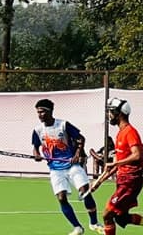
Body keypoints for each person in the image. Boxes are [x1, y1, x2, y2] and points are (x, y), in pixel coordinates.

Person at [96, 98, 143, 235]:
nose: (109, 115)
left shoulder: (130, 132)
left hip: (130, 181)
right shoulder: (120, 133)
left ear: (119, 113)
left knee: (107, 215)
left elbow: (137, 155)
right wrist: (99, 181)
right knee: (121, 218)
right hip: (123, 180)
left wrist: (116, 163)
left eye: (111, 112)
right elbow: (118, 163)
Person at [31, 98, 101, 235]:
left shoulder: (63, 125)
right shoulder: (38, 130)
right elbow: (35, 146)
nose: (40, 115)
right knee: (61, 198)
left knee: (85, 191)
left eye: (42, 112)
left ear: (50, 111)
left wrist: (77, 153)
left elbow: (81, 139)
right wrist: (37, 154)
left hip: (71, 165)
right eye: (38, 112)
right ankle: (77, 227)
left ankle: (94, 222)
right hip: (55, 169)